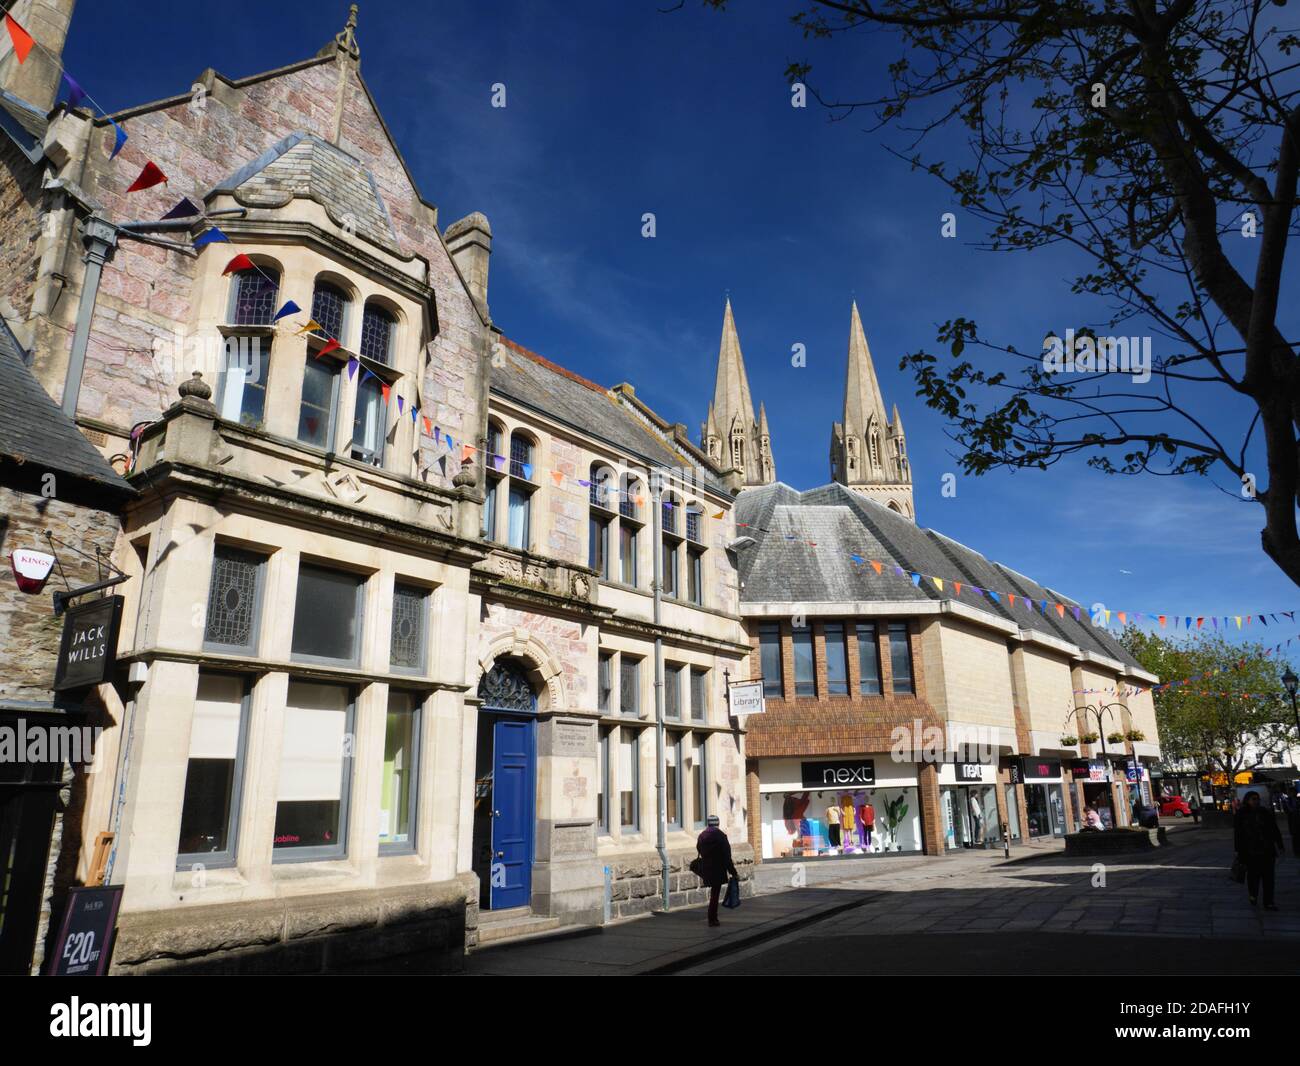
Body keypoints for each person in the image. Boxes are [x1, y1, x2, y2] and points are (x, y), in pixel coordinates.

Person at [1234, 790, 1284, 910]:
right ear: (1247, 800)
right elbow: (1238, 834)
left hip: (1266, 850)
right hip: (1250, 852)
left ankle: (1269, 902)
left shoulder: (1264, 812)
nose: (1256, 801)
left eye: (1257, 799)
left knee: (1269, 878)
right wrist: (1239, 851)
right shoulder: (1241, 814)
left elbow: (1274, 829)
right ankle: (1253, 895)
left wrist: (1280, 844)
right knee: (1253, 877)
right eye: (1253, 799)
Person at [696, 814, 739, 927]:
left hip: (707, 868)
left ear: (708, 823)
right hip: (718, 868)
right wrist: (733, 872)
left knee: (713, 895)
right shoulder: (721, 836)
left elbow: (699, 849)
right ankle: (712, 918)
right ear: (718, 824)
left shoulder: (701, 836)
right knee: (715, 894)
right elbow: (727, 856)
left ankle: (712, 917)